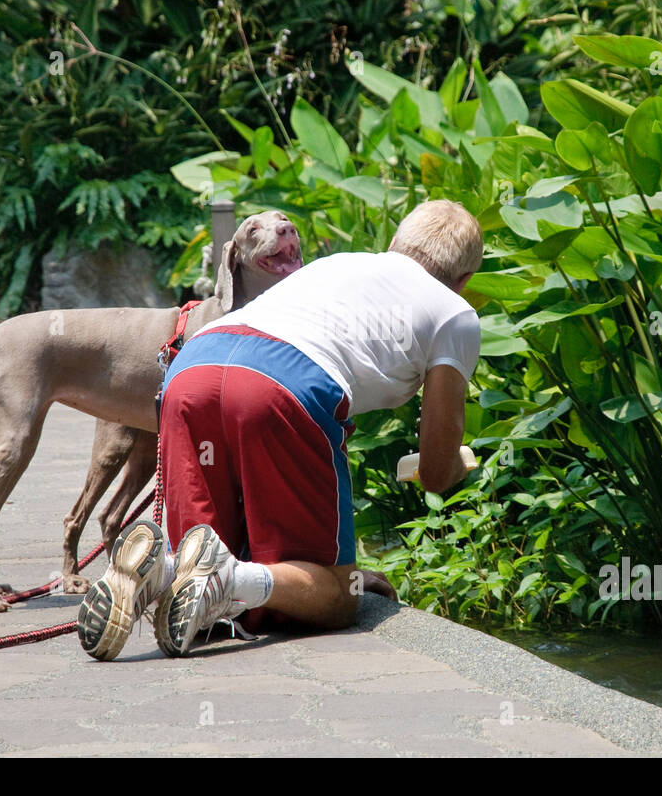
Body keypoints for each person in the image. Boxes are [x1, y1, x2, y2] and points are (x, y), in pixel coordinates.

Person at [77, 199, 482, 660]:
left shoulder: (340, 263)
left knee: (205, 567)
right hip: (283, 381)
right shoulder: (455, 313)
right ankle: (228, 578)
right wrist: (449, 467)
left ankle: (162, 571)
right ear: (465, 280)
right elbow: (434, 470)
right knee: (337, 596)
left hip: (193, 365)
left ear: (394, 245)